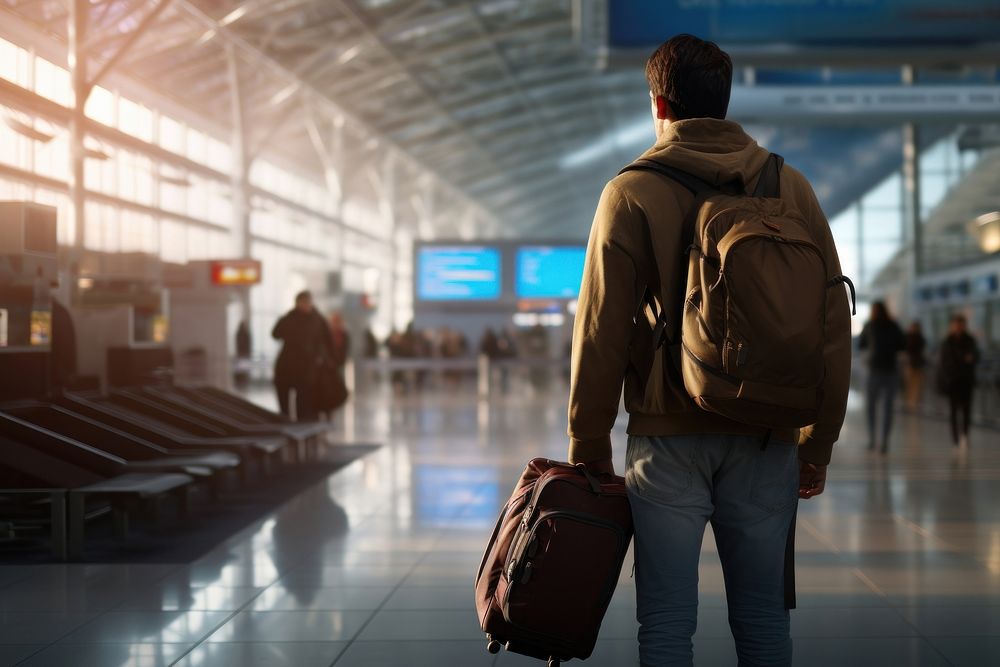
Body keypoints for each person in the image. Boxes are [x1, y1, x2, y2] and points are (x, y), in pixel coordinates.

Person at [567, 34, 851, 666]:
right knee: (762, 619)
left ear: (658, 103)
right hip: (768, 434)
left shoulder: (630, 191)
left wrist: (588, 446)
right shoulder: (790, 186)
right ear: (723, 102)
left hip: (668, 435)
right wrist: (818, 442)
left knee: (667, 620)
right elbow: (832, 325)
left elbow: (600, 330)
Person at [271, 291, 332, 421]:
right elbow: (275, 334)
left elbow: (327, 343)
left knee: (303, 406)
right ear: (297, 303)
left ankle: (300, 430)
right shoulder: (290, 318)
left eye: (307, 302)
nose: (305, 305)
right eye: (302, 302)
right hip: (286, 368)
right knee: (284, 408)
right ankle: (286, 428)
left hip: (306, 370)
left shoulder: (317, 320)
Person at [858, 301, 905, 453]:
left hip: (876, 370)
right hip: (888, 370)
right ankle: (882, 441)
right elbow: (902, 344)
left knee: (873, 407)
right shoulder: (892, 325)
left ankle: (874, 439)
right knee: (886, 409)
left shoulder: (870, 325)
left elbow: (861, 344)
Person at [939, 314, 979, 448]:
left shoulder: (970, 340)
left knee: (966, 410)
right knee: (954, 410)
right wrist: (963, 358)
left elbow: (975, 356)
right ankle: (955, 438)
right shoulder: (947, 341)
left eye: (960, 325)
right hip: (953, 380)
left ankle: (965, 435)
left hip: (966, 379)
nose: (958, 327)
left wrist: (967, 359)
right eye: (956, 325)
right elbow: (945, 361)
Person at [903, 320, 926, 411]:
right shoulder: (909, 338)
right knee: (909, 384)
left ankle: (914, 402)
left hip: (917, 364)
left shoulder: (919, 338)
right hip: (910, 364)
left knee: (917, 384)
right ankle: (910, 402)